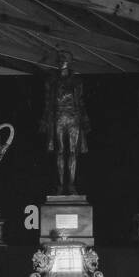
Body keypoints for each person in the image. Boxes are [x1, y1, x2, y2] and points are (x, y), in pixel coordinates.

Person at [41, 52, 89, 195]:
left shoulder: (77, 81)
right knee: (60, 152)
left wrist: (85, 120)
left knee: (73, 152)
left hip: (73, 117)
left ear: (70, 62)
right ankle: (61, 185)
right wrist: (45, 119)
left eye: (65, 59)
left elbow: (80, 101)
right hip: (58, 118)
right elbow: (48, 102)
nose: (62, 61)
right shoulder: (51, 81)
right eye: (60, 59)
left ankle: (72, 185)